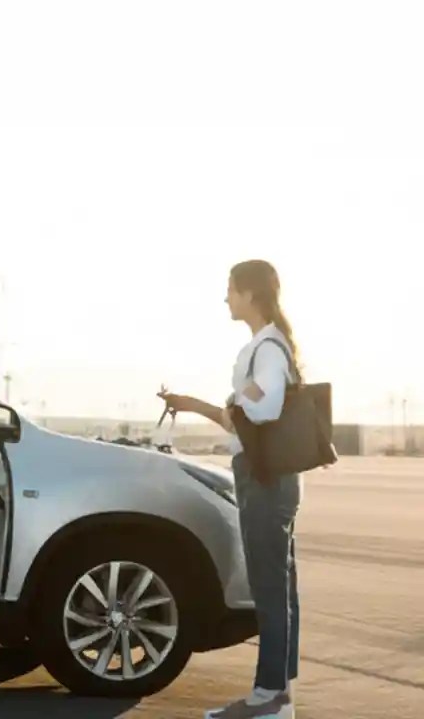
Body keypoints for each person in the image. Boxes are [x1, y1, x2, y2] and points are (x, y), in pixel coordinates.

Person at [158, 259, 302, 719]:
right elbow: (238, 421)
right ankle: (278, 695)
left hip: (265, 481)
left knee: (269, 589)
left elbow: (265, 405)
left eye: (230, 289)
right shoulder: (266, 347)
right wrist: (194, 404)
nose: (226, 298)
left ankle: (270, 698)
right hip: (267, 477)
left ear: (250, 294)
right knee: (277, 587)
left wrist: (238, 400)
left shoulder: (267, 349)